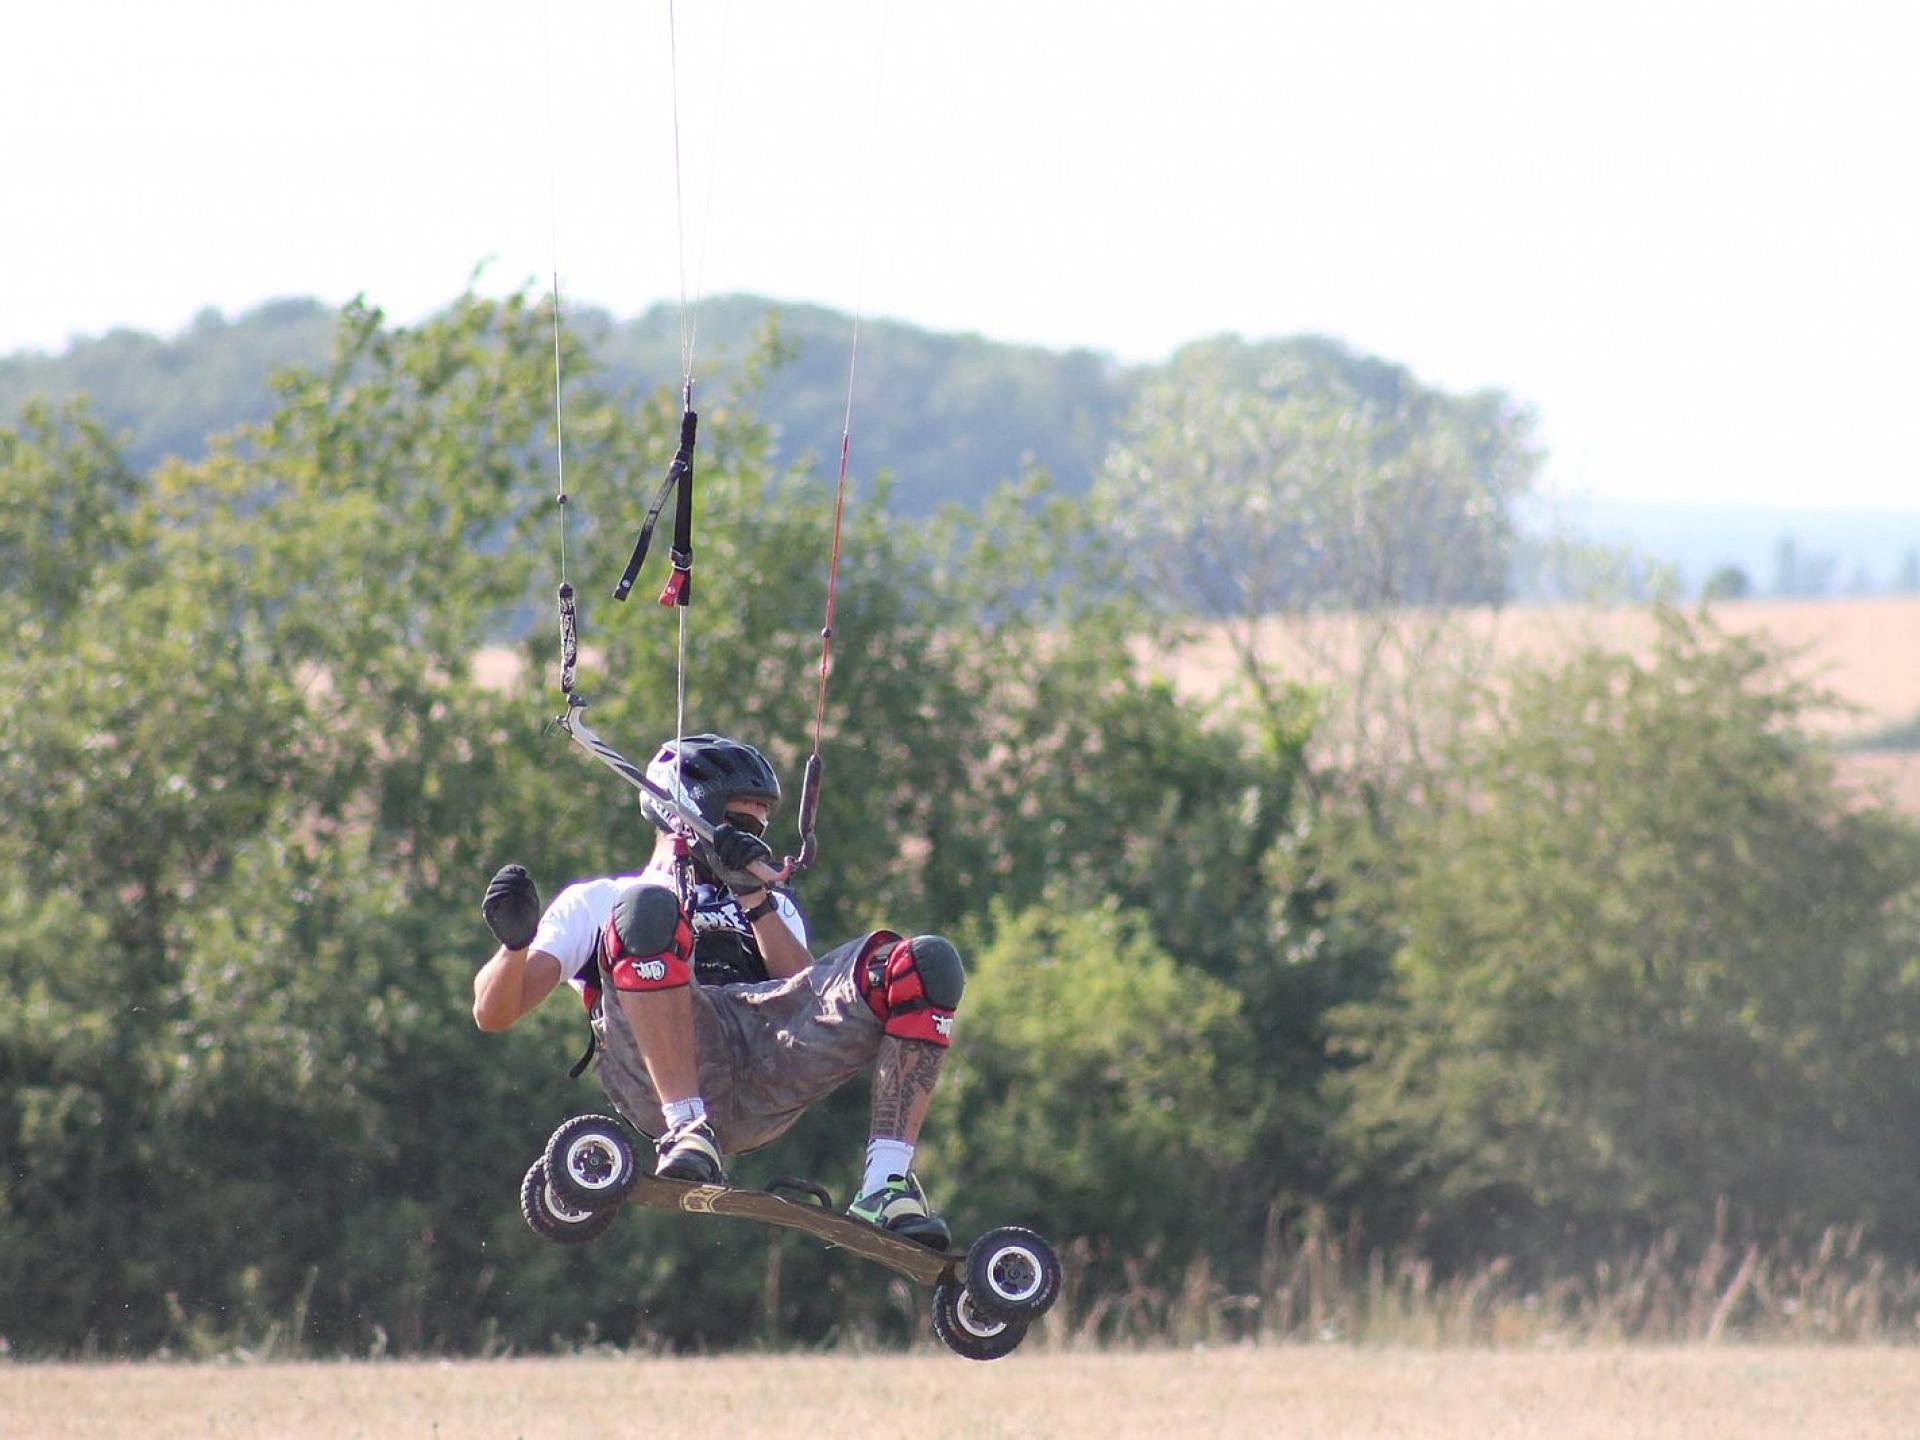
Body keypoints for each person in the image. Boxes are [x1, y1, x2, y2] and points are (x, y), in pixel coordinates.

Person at [471, 732, 963, 1247]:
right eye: (740, 823)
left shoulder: (773, 905)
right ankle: (687, 1127)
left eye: (759, 828)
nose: (753, 838)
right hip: (656, 1079)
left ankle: (885, 1182)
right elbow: (493, 1012)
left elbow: (810, 1002)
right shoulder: (600, 900)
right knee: (647, 910)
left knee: (927, 963)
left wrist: (754, 899)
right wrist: (514, 946)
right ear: (687, 816)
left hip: (764, 1068)